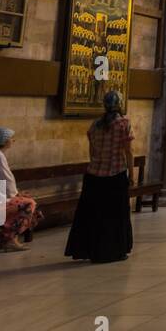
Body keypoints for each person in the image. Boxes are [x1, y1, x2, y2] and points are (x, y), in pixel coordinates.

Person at [65, 91, 134, 263]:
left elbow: (92, 151)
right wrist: (131, 174)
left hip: (94, 175)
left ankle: (88, 249)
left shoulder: (95, 125)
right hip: (115, 174)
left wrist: (97, 164)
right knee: (113, 215)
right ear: (119, 104)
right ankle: (112, 251)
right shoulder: (123, 123)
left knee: (92, 214)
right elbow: (128, 151)